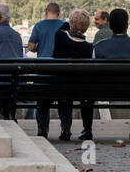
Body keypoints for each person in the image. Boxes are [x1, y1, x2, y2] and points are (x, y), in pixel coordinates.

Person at [85, 7, 130, 140]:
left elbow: (92, 71)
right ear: (127, 26)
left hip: (103, 91)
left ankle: (87, 130)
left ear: (111, 26)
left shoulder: (99, 47)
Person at [37, 9, 92, 141]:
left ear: (71, 24)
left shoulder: (60, 37)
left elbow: (64, 26)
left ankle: (43, 130)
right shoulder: (88, 47)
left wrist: (73, 22)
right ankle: (66, 129)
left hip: (57, 82)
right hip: (76, 87)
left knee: (44, 99)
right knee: (66, 98)